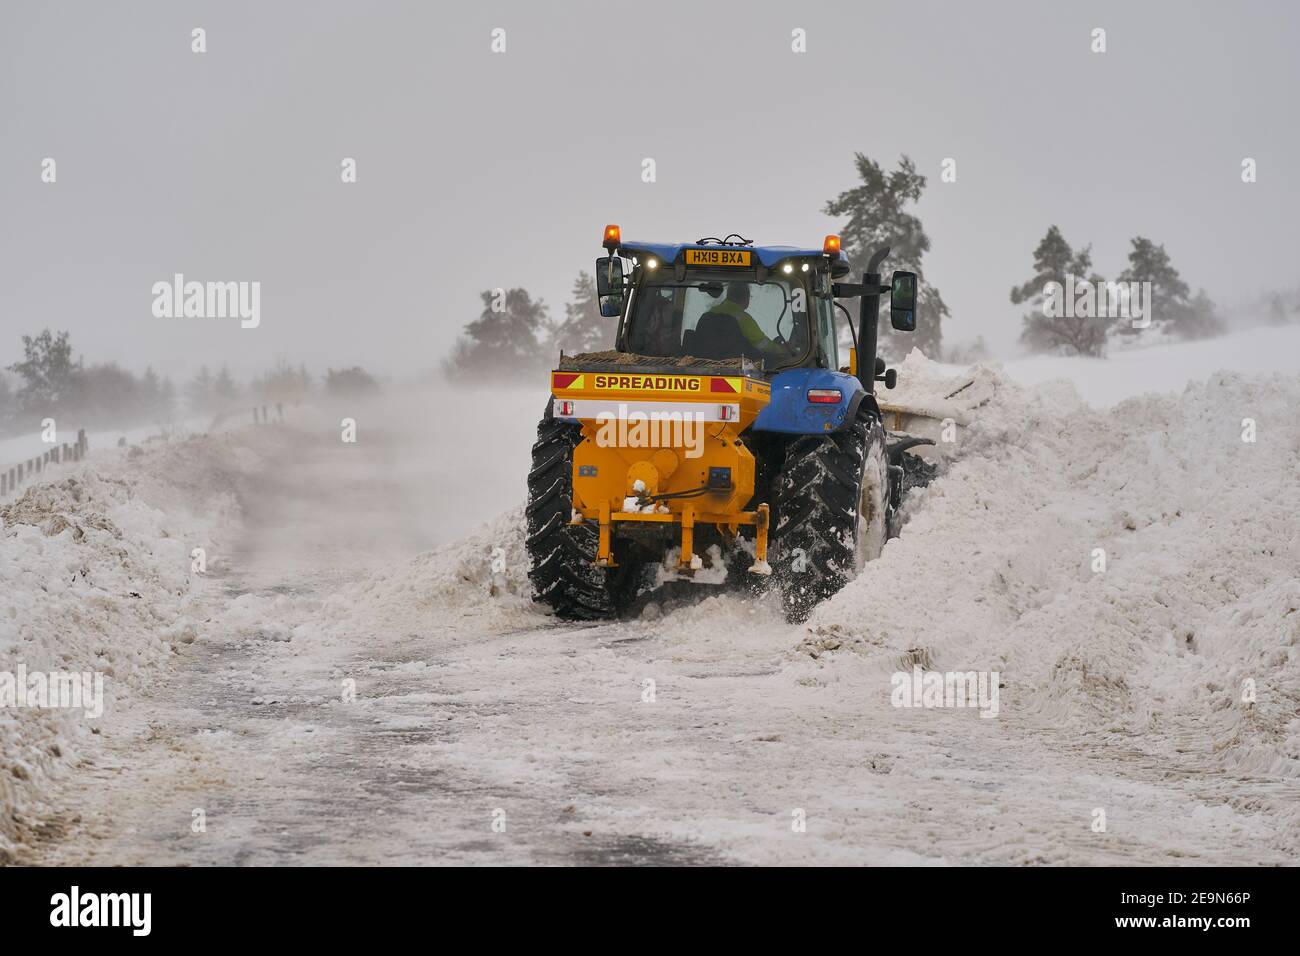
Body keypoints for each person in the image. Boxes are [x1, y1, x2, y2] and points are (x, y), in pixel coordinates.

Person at [710, 282, 793, 361]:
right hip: (737, 365)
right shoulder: (743, 319)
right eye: (750, 297)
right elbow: (761, 343)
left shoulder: (712, 312)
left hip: (708, 362)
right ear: (745, 297)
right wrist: (781, 350)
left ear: (729, 296)